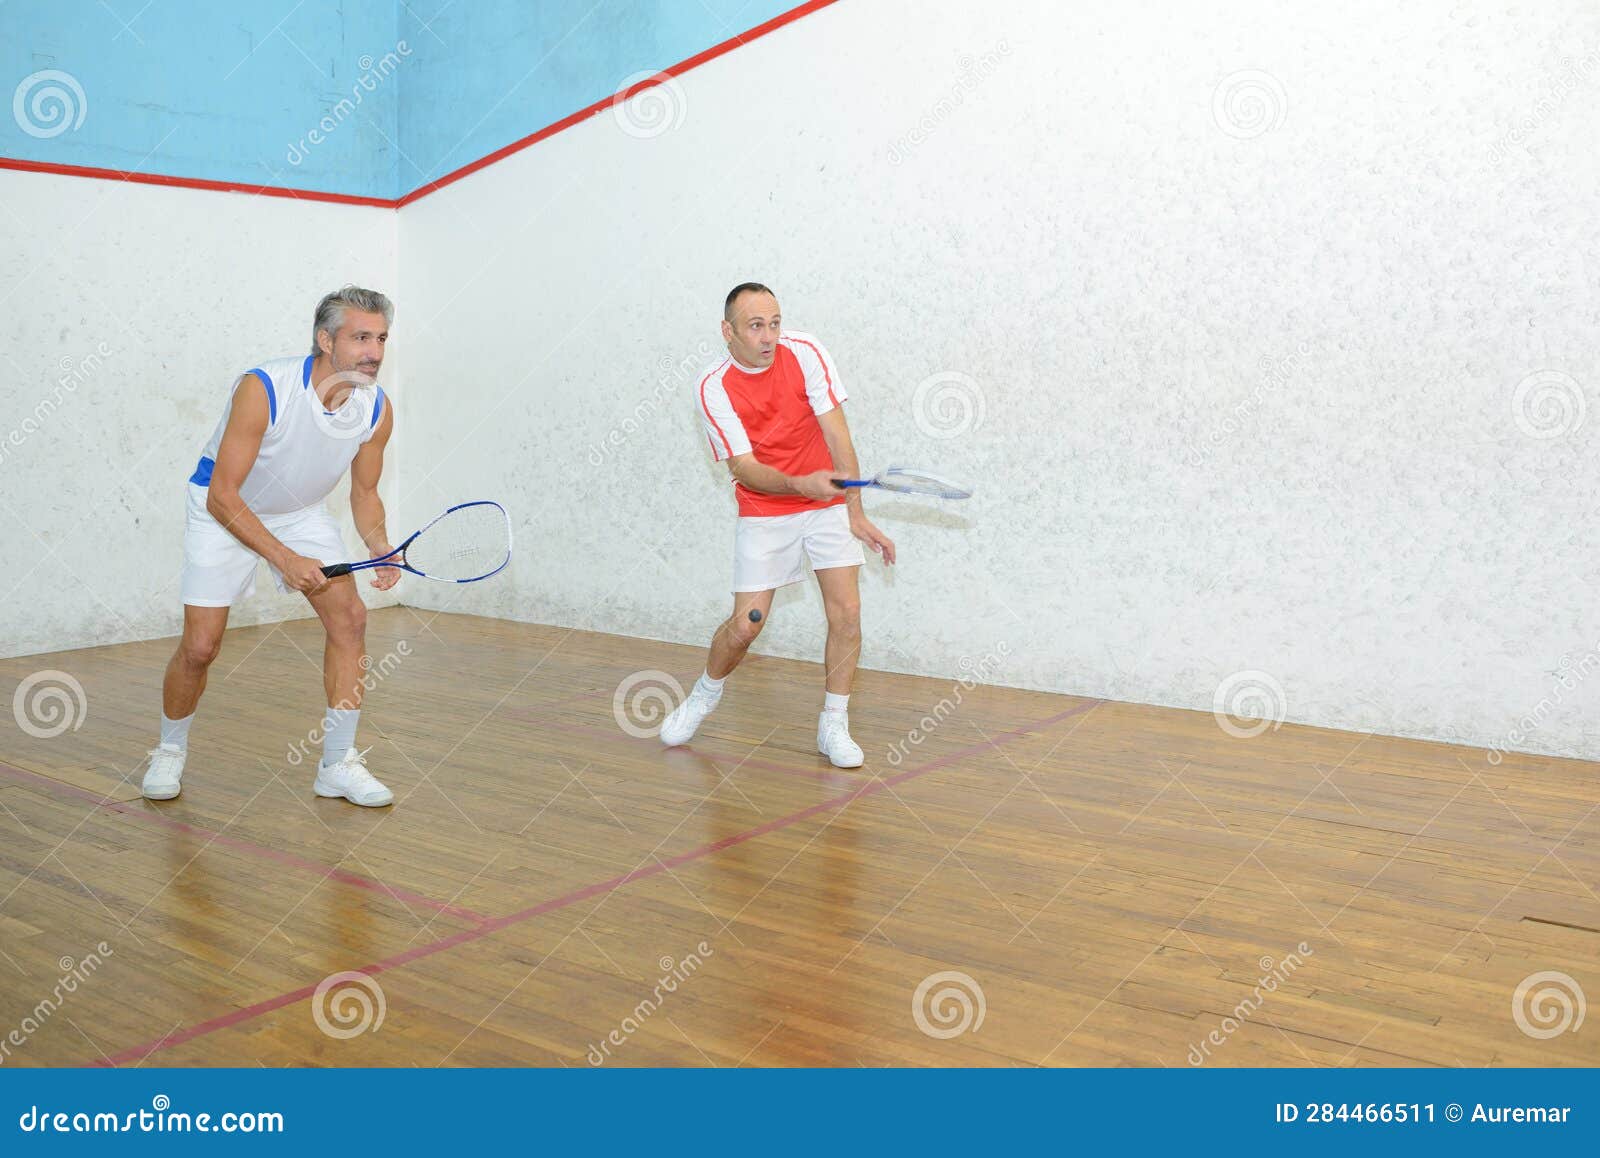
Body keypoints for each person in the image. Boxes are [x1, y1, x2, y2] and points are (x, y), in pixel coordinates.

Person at [141, 286, 401, 806]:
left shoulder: (375, 408)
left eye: (381, 339)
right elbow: (222, 495)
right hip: (223, 509)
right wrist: (284, 559)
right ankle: (168, 751)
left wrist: (381, 545)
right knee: (201, 647)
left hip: (300, 512)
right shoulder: (264, 388)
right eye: (360, 338)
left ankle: (337, 765)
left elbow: (365, 493)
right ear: (325, 340)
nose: (373, 352)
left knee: (350, 619)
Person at [660, 282, 896, 767]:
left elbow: (839, 436)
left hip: (826, 503)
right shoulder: (712, 387)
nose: (769, 336)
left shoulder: (805, 352)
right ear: (728, 332)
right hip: (765, 507)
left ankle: (834, 723)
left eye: (774, 323)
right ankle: (706, 692)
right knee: (747, 625)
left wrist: (854, 510)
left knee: (847, 612)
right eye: (755, 326)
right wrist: (799, 484)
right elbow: (744, 468)